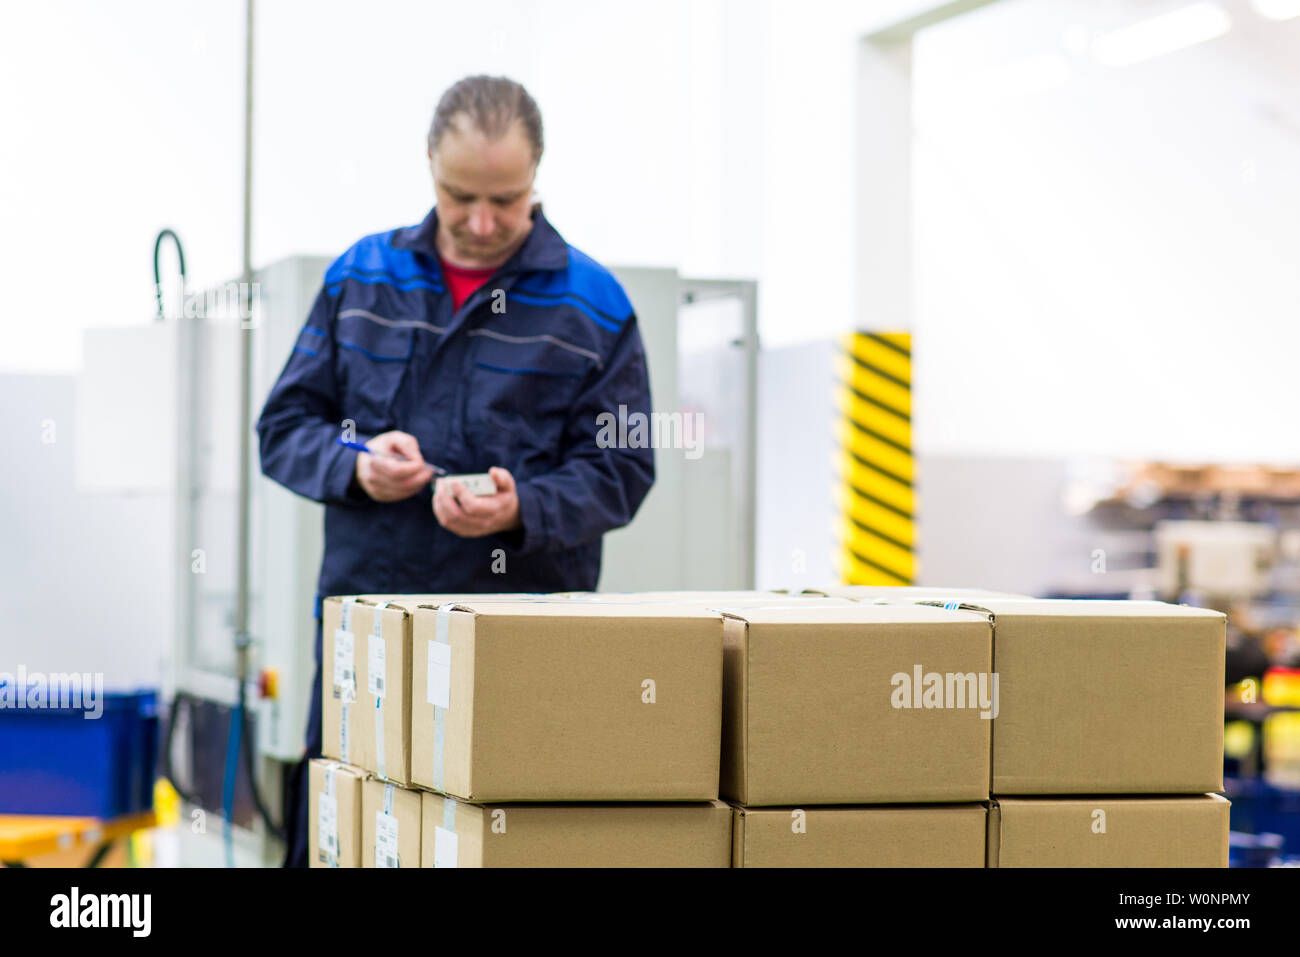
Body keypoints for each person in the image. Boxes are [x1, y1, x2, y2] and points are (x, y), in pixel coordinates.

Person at [256, 75, 655, 867]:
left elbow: (624, 468)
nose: (480, 222)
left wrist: (523, 507)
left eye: (505, 200)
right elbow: (285, 429)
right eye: (458, 195)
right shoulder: (360, 280)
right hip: (368, 635)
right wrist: (355, 463)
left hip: (520, 646)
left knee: (506, 844)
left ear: (537, 178)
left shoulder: (596, 306)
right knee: (348, 833)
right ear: (429, 168)